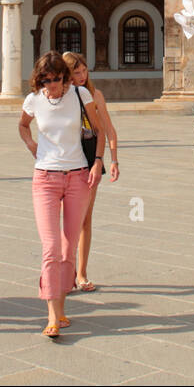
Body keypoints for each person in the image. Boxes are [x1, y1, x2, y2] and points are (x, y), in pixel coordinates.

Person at [19, 52, 105, 338]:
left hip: (78, 176)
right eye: (46, 80)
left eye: (57, 79)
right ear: (39, 79)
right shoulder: (33, 100)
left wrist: (99, 161)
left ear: (65, 78)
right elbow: (22, 125)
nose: (52, 85)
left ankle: (62, 307)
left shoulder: (80, 94)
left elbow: (100, 129)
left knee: (69, 249)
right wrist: (31, 144)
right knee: (51, 247)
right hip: (44, 178)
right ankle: (52, 316)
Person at [62, 51, 119, 293]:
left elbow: (108, 129)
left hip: (89, 156)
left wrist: (113, 159)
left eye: (84, 71)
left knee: (85, 219)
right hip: (65, 160)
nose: (82, 76)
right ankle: (65, 270)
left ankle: (82, 272)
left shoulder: (95, 95)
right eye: (76, 72)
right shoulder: (60, 98)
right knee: (67, 220)